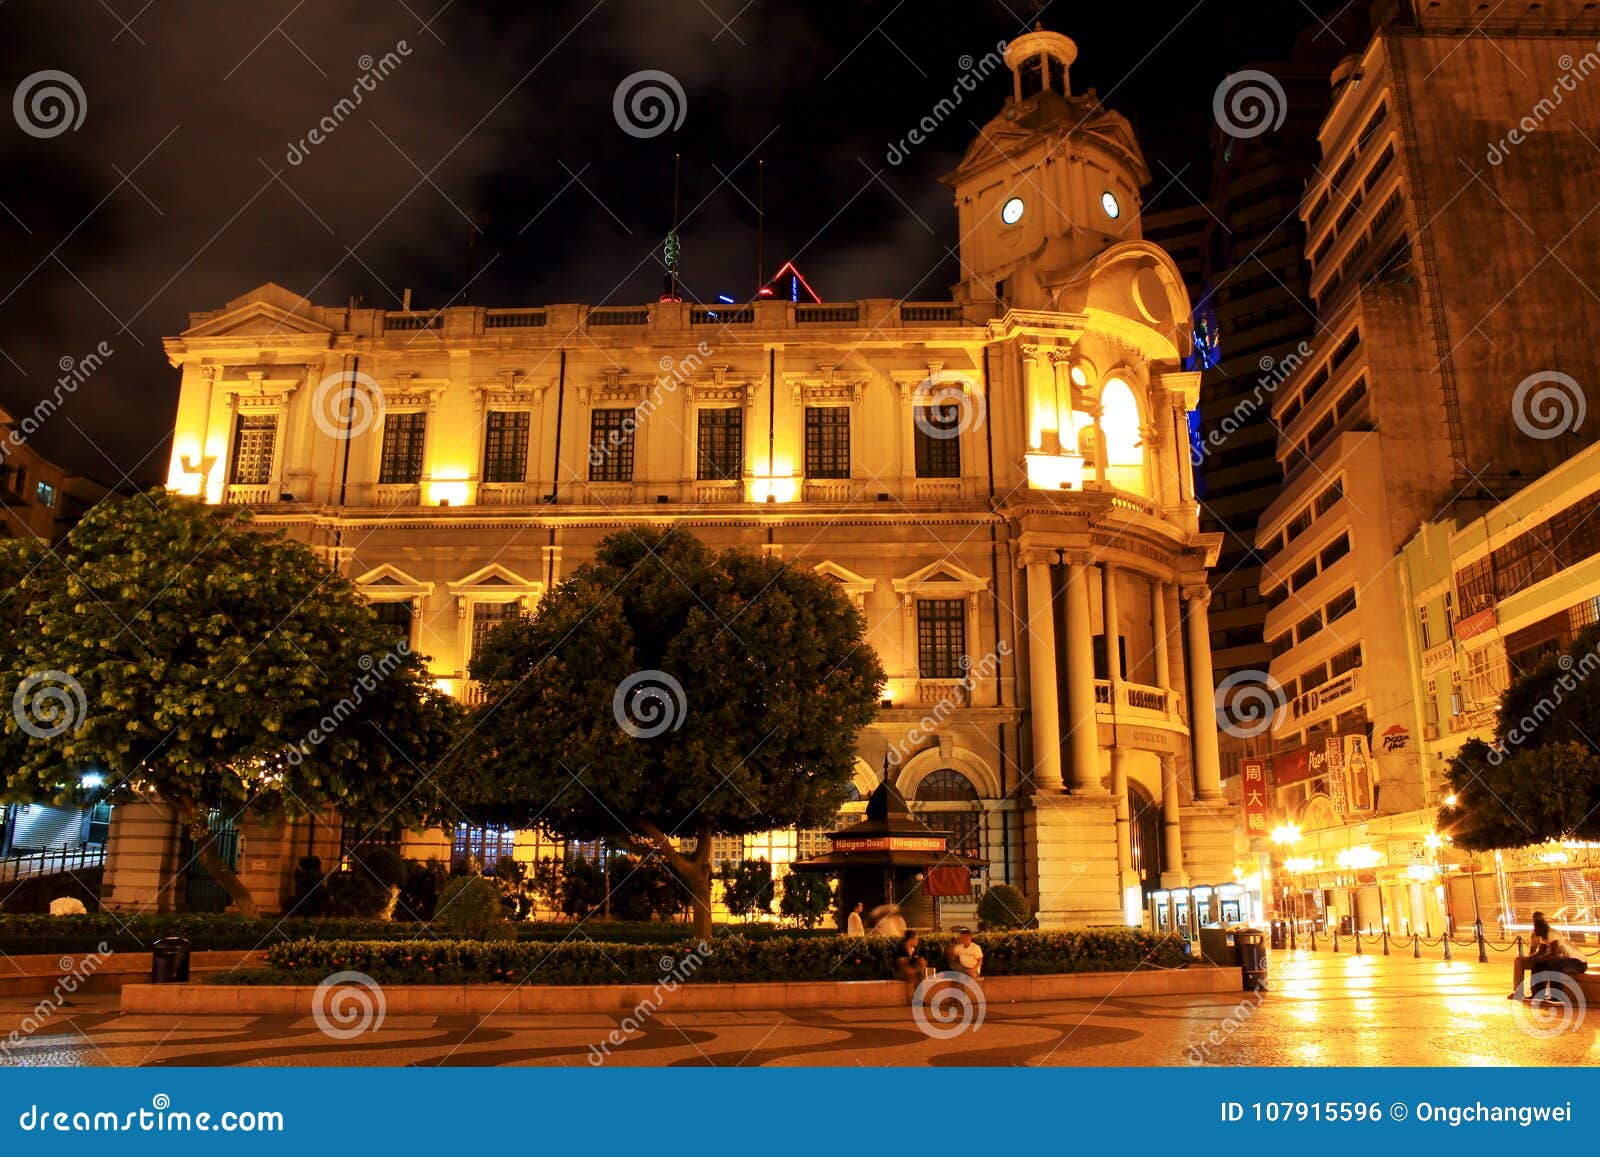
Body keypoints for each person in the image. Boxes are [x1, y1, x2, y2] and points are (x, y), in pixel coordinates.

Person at [1509, 911, 1559, 1000]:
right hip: (1541, 958)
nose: (1535, 923)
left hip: (1551, 959)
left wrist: (1539, 958)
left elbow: (1555, 953)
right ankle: (1518, 992)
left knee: (1538, 965)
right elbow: (1535, 952)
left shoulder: (1552, 933)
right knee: (1518, 961)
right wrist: (1531, 958)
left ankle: (1540, 992)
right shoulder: (1535, 935)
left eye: (1539, 920)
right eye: (1535, 920)